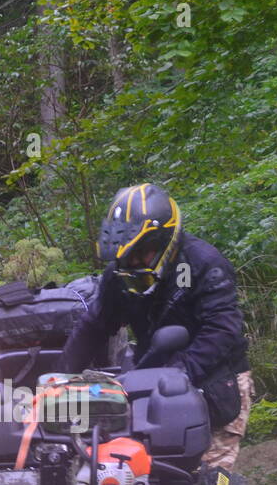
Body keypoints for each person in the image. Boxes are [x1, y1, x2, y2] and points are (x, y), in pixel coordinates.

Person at [60, 183, 253, 469]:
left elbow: (223, 331)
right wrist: (60, 377)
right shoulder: (120, 273)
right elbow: (95, 325)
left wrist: (178, 372)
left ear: (165, 241)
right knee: (136, 466)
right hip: (150, 376)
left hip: (213, 379)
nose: (134, 262)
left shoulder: (204, 265)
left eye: (142, 253)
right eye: (128, 255)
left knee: (200, 470)